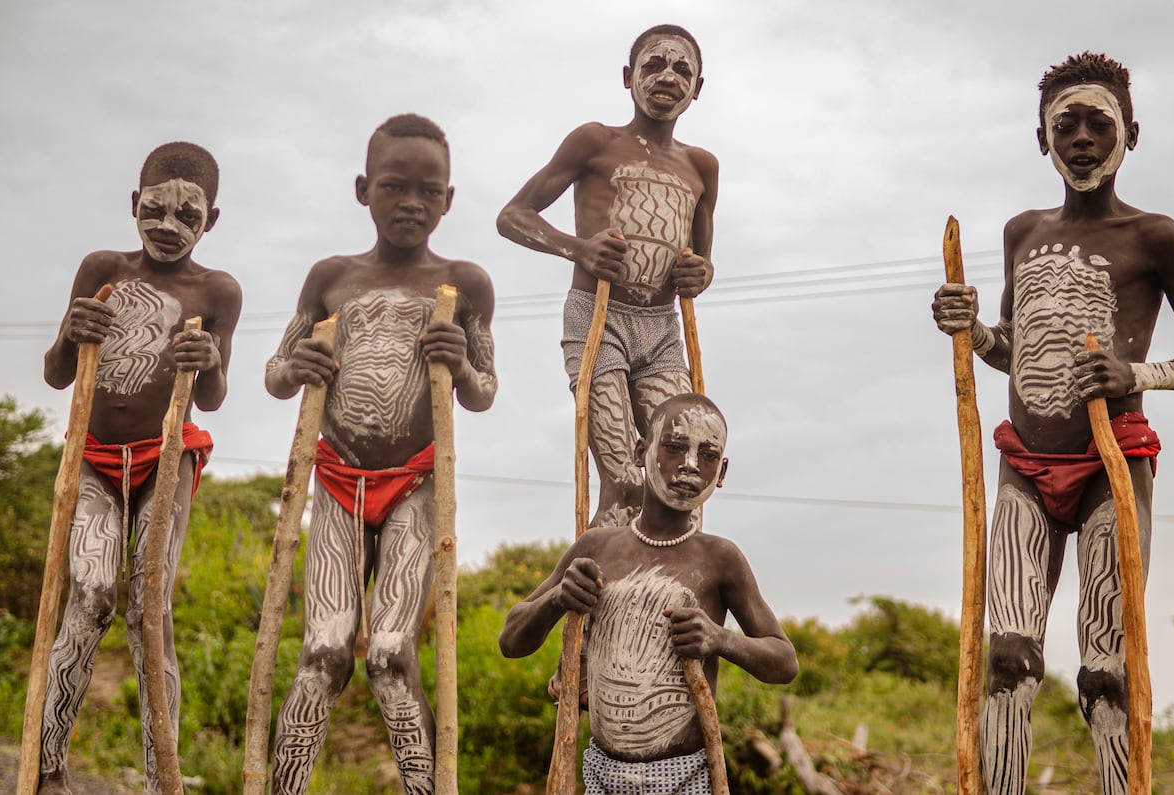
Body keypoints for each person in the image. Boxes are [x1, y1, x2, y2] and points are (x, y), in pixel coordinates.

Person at [932, 52, 1174, 795]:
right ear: (1041, 138)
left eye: (1098, 122)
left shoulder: (1158, 238)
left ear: (1132, 135)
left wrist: (1136, 375)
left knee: (1107, 670)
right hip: (1024, 463)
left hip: (1114, 463)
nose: (1081, 136)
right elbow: (1016, 352)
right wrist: (973, 329)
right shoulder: (1023, 231)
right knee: (1009, 657)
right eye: (1066, 123)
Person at [264, 114, 497, 795]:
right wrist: (298, 363)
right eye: (395, 186)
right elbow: (276, 373)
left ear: (449, 199)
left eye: (430, 190)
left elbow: (484, 392)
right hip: (337, 479)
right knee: (321, 652)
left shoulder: (464, 283)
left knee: (392, 655)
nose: (412, 203)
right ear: (364, 188)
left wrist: (460, 364)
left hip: (415, 485)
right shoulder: (332, 277)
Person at [39, 141, 242, 794]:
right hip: (95, 457)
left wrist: (206, 356)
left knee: (148, 611)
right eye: (154, 209)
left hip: (166, 457)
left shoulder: (216, 290)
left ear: (210, 221)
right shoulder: (103, 268)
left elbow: (213, 396)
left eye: (187, 216)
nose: (167, 226)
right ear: (134, 204)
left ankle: (163, 781)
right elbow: (55, 372)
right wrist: (74, 329)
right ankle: (46, 765)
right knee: (89, 596)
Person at [499, 393, 797, 793]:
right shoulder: (596, 547)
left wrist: (719, 639)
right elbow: (511, 640)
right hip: (601, 776)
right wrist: (557, 600)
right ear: (642, 451)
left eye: (708, 456)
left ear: (721, 472)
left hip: (685, 779)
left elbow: (784, 662)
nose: (690, 465)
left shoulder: (720, 558)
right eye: (674, 448)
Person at [497, 24, 718, 528]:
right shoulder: (594, 141)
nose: (667, 76)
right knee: (624, 478)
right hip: (598, 320)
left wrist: (698, 272)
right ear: (628, 77)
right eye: (654, 65)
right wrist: (579, 250)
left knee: (680, 475)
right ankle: (600, 593)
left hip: (663, 331)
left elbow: (702, 264)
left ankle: (671, 595)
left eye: (682, 69)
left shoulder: (702, 166)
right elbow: (513, 216)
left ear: (698, 88)